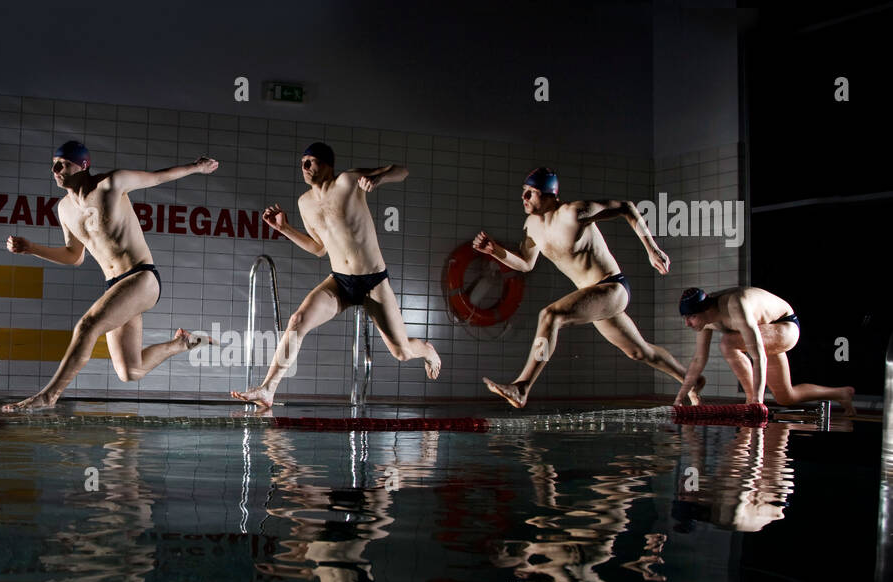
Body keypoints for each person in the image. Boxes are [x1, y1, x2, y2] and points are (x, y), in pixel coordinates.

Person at [2, 141, 218, 412]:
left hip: (142, 277)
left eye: (63, 163)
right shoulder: (64, 210)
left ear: (83, 165)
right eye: (54, 163)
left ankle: (48, 396)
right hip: (116, 286)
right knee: (130, 371)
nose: (55, 169)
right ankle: (182, 343)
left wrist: (196, 167)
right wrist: (31, 249)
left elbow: (158, 177)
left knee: (87, 326)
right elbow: (74, 256)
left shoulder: (111, 183)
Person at [230, 143, 440, 409]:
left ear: (328, 164)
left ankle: (427, 350)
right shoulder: (304, 203)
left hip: (372, 280)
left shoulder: (348, 181)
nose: (305, 167)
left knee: (402, 352)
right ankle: (268, 390)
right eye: (302, 162)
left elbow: (402, 171)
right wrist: (284, 229)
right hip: (340, 281)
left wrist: (378, 178)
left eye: (311, 161)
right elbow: (318, 248)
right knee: (298, 321)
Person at [474, 167, 700, 408]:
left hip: (612, 287)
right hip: (592, 296)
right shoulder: (532, 225)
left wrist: (652, 249)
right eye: (523, 192)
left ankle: (522, 387)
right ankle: (692, 381)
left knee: (550, 316)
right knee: (640, 352)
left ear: (549, 194)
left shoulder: (574, 212)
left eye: (531, 193)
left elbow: (627, 207)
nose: (524, 198)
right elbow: (526, 264)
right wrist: (495, 251)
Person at [673, 286, 855, 414]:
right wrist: (680, 398)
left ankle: (750, 400)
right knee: (785, 397)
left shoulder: (735, 305)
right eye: (685, 318)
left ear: (705, 310)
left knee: (728, 342)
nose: (687, 324)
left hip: (785, 326)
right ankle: (841, 394)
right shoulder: (706, 321)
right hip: (767, 333)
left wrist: (756, 402)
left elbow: (758, 356)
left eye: (692, 317)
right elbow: (698, 360)